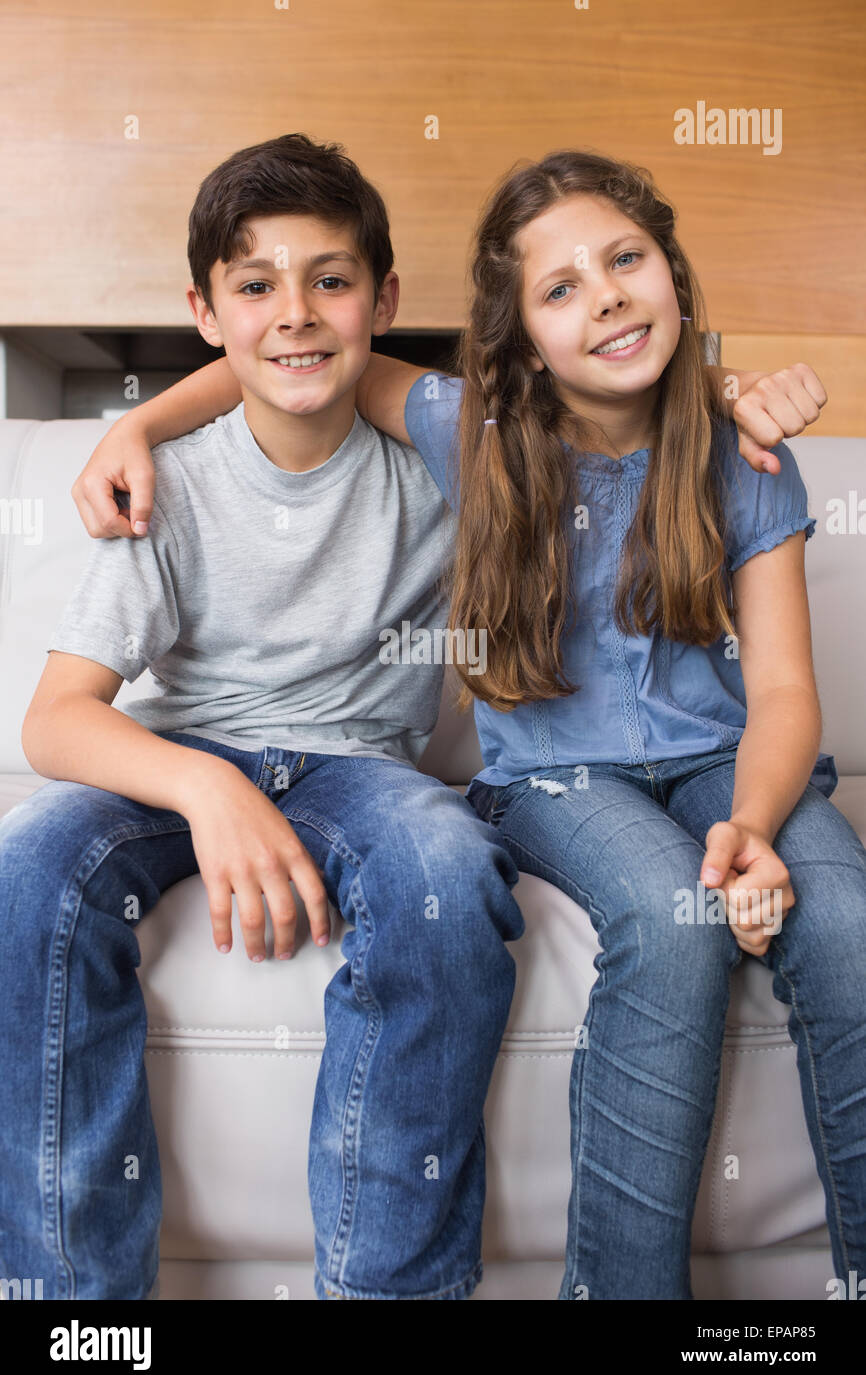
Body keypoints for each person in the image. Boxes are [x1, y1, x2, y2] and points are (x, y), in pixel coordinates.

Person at [67, 143, 841, 1304]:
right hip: (535, 776)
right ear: (520, 335)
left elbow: (777, 689)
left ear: (673, 275)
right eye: (560, 287)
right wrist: (133, 426)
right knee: (672, 924)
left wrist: (753, 819)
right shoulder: (452, 431)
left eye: (626, 262)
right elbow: (291, 358)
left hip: (701, 765)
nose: (606, 297)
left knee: (845, 925)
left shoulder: (725, 454)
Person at [0, 132, 527, 1302]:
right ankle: (72, 1310)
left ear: (383, 300)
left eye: (329, 280)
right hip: (182, 747)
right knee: (24, 871)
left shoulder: (440, 462)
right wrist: (206, 786)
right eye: (254, 287)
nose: (293, 312)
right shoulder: (171, 479)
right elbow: (56, 720)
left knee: (445, 867)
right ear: (204, 311)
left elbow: (579, 418)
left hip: (361, 765)